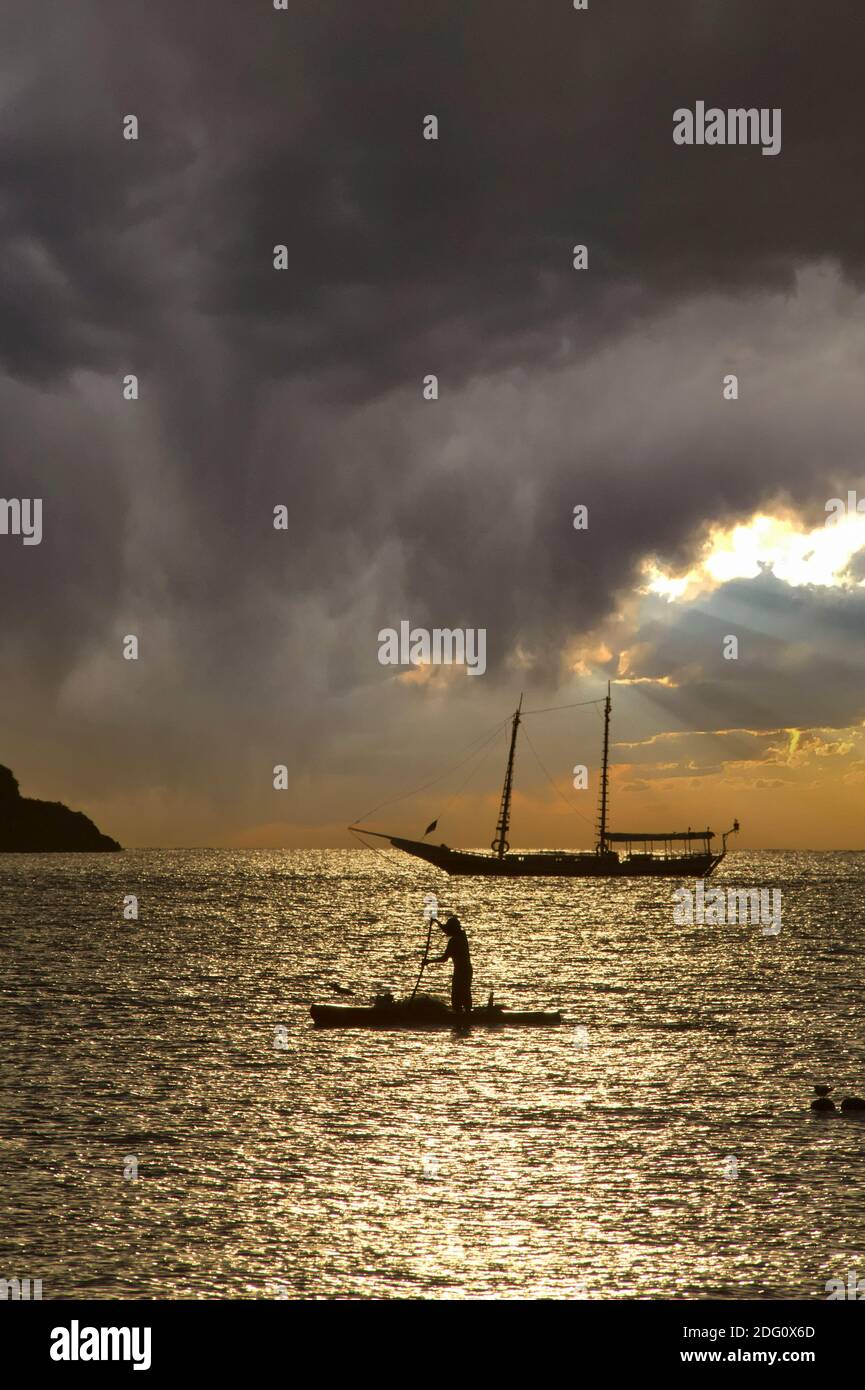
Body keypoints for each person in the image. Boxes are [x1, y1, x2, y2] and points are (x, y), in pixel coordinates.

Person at [429, 915, 473, 1015]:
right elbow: (447, 931)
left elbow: (444, 958)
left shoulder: (454, 941)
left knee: (459, 995)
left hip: (462, 972)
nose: (447, 931)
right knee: (465, 992)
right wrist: (437, 922)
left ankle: (463, 1018)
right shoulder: (462, 936)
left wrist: (429, 961)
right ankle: (465, 1015)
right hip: (466, 970)